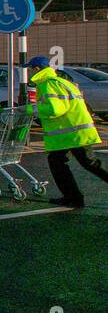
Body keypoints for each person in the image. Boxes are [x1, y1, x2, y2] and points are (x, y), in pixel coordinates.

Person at [26, 56, 108, 208]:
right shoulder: (64, 82)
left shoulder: (47, 84)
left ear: (37, 69)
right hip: (78, 131)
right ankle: (73, 197)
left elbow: (55, 109)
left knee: (59, 164)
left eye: (31, 69)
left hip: (67, 134)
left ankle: (73, 198)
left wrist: (31, 109)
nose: (30, 72)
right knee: (90, 164)